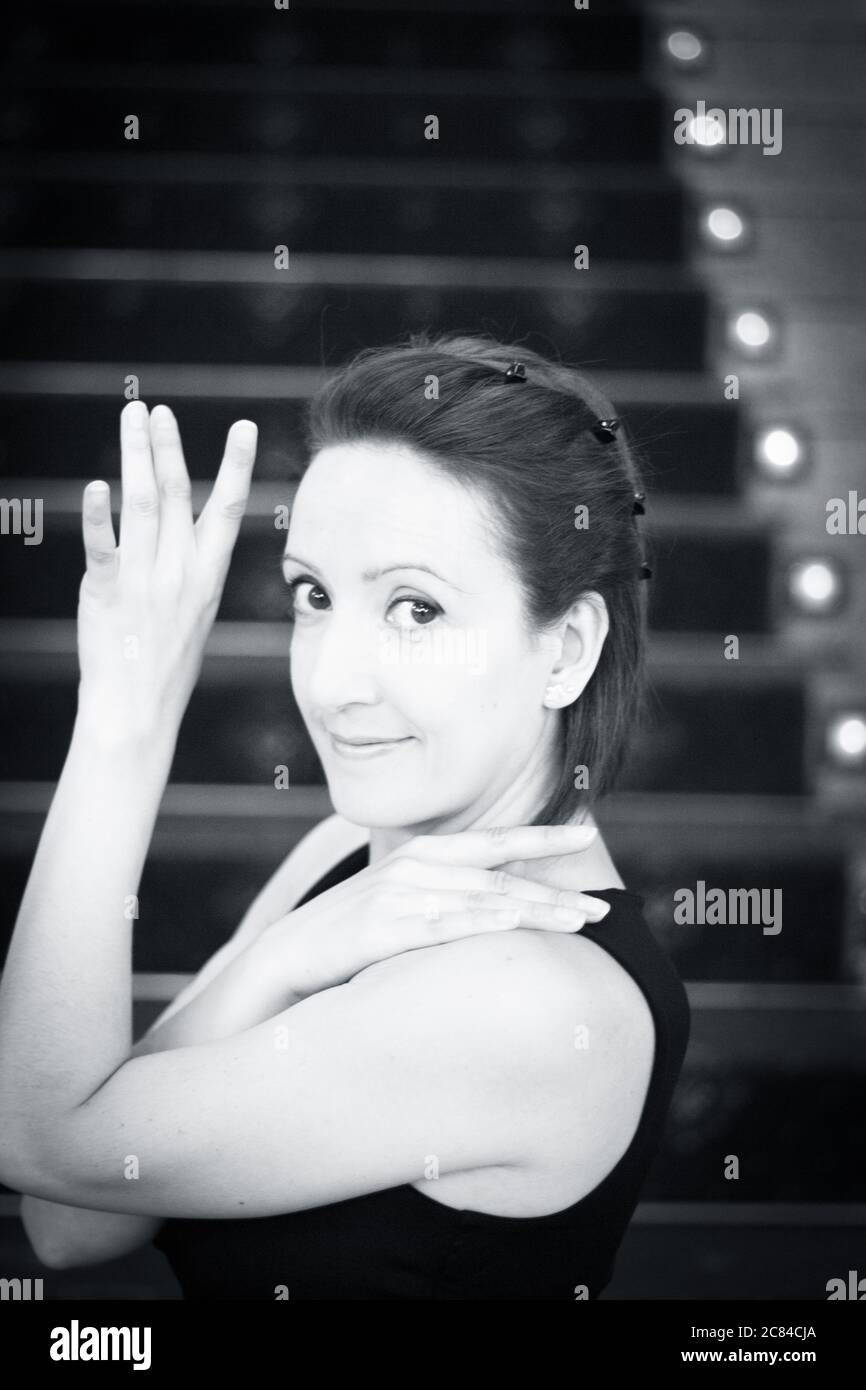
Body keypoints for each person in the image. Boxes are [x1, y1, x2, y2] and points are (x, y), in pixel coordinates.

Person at [2, 331, 689, 1299]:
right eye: (313, 595)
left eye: (415, 608)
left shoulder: (529, 1000)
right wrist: (283, 956)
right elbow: (72, 1221)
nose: (329, 683)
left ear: (567, 648)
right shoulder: (345, 860)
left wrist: (125, 717)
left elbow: (37, 1142)